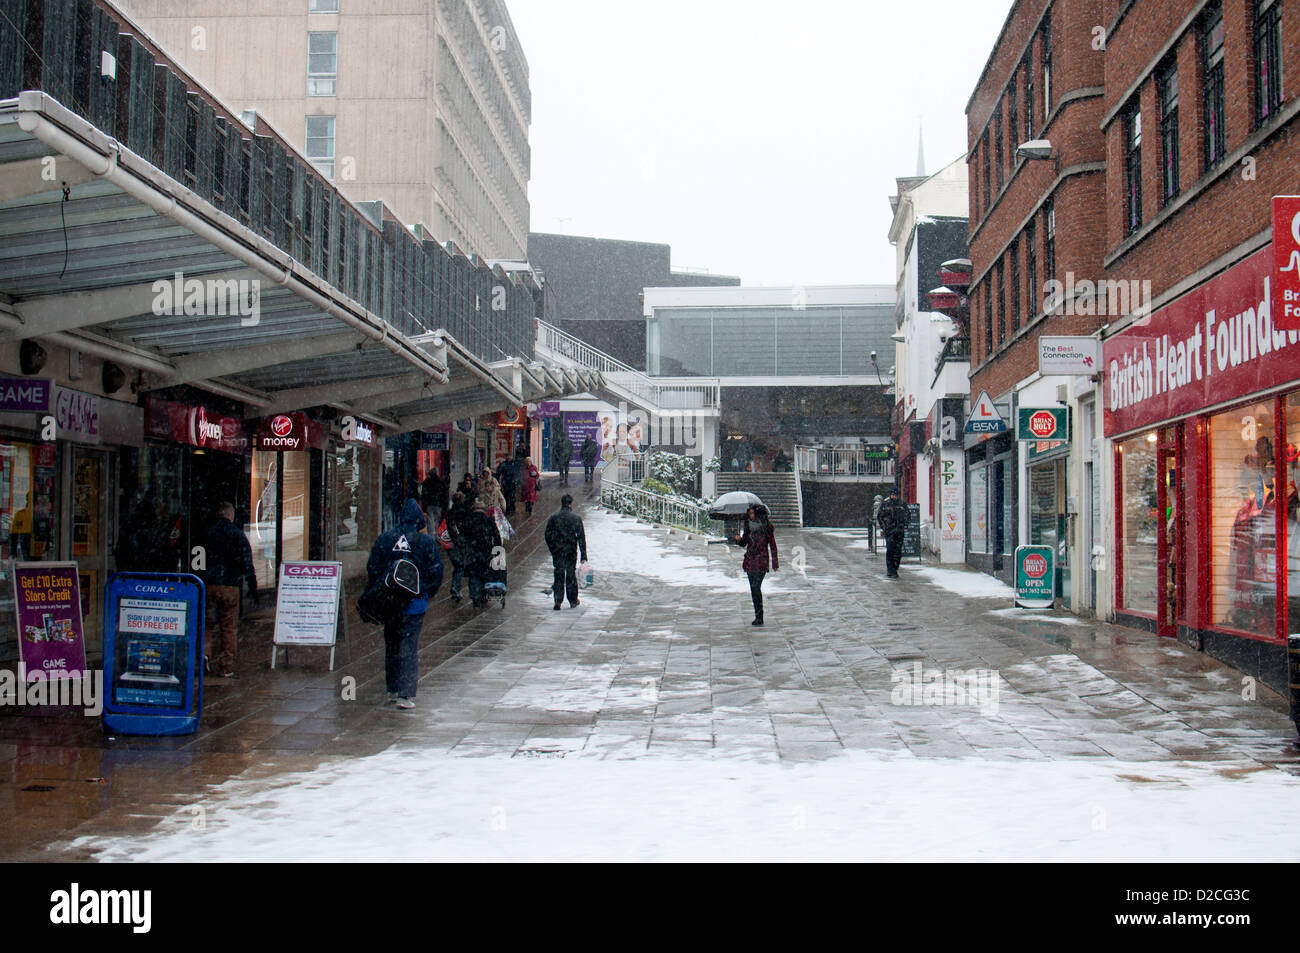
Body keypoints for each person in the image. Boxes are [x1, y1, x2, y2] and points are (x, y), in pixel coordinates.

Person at [366, 499, 442, 709]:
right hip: (414, 605)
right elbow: (436, 572)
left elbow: (373, 568)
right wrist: (425, 593)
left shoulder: (385, 539)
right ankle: (405, 694)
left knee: (392, 644)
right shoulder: (425, 542)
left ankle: (392, 687)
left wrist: (382, 592)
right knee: (409, 646)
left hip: (390, 604)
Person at [199, 502, 258, 678]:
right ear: (231, 516)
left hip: (208, 584)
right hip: (229, 586)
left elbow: (197, 560)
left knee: (206, 624)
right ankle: (226, 666)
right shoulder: (237, 535)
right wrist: (251, 585)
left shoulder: (206, 534)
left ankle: (204, 655)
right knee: (229, 627)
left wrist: (201, 575)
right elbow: (246, 562)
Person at [736, 504, 778, 626]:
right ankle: (757, 615)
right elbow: (744, 543)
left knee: (755, 587)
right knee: (753, 589)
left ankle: (759, 616)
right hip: (750, 561)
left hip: (761, 561)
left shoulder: (766, 528)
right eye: (749, 513)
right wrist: (739, 540)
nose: (750, 516)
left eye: (752, 513)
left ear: (758, 514)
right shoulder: (748, 526)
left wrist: (775, 562)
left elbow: (773, 546)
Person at [544, 493, 588, 609]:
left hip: (558, 551)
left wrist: (553, 548)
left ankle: (558, 600)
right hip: (570, 550)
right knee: (570, 574)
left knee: (558, 574)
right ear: (571, 504)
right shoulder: (576, 519)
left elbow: (547, 535)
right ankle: (572, 599)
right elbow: (581, 537)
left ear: (561, 503)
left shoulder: (554, 518)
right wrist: (583, 555)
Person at [463, 500, 502, 608]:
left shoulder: (469, 520)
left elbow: (463, 536)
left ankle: (475, 596)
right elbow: (497, 536)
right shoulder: (489, 520)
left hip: (472, 552)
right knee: (485, 573)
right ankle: (484, 595)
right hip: (486, 551)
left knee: (474, 575)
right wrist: (497, 548)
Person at [445, 490, 474, 602]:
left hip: (451, 543)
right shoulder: (466, 511)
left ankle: (455, 587)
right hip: (461, 543)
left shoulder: (450, 512)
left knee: (458, 565)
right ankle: (456, 587)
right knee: (460, 566)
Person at [877, 486, 909, 578]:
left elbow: (907, 516)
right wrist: (885, 527)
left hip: (899, 532)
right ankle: (890, 570)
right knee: (890, 550)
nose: (894, 497)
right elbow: (880, 516)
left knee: (898, 551)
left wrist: (904, 526)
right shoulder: (885, 504)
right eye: (892, 495)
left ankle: (895, 568)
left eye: (895, 495)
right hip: (890, 532)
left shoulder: (902, 505)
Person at [420, 467, 447, 532]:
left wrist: (424, 504)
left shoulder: (427, 482)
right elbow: (444, 494)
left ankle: (431, 535)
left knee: (430, 521)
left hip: (430, 504)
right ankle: (437, 535)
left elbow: (424, 493)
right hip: (438, 504)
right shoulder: (440, 482)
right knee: (438, 520)